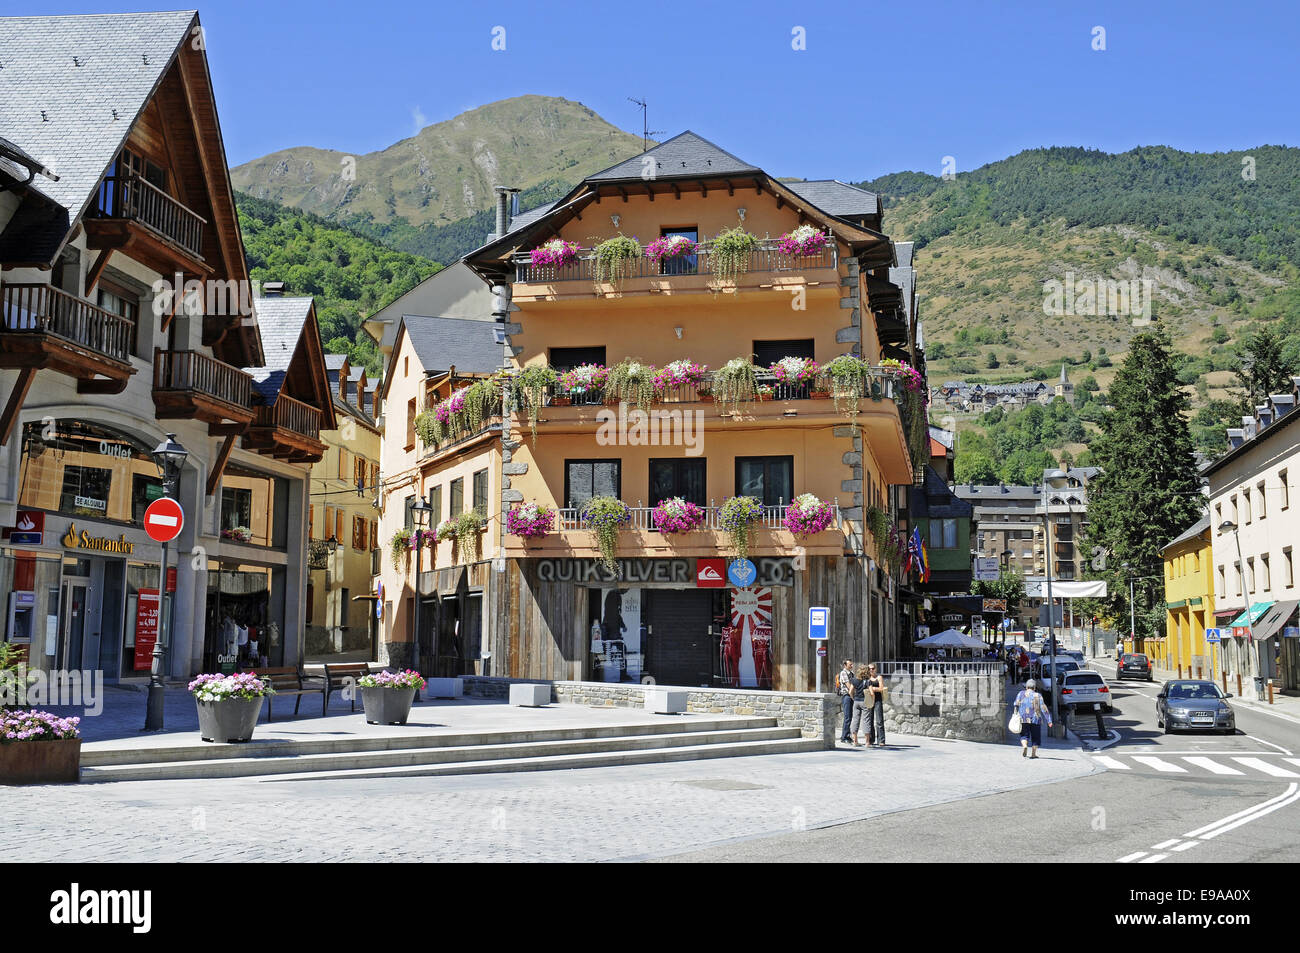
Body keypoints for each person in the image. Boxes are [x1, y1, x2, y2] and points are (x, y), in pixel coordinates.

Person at [1012, 678, 1053, 758]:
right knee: (1036, 737)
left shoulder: (1020, 694)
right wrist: (1049, 720)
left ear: (1026, 687)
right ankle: (1033, 754)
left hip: (1023, 719)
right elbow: (1044, 708)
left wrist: (1016, 713)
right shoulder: (1038, 695)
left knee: (1024, 735)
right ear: (1034, 688)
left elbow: (1015, 704)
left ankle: (1024, 746)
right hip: (1036, 719)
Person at [847, 664, 870, 746]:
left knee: (855, 720)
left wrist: (853, 698)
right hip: (865, 702)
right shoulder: (867, 681)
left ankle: (855, 741)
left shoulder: (854, 680)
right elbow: (871, 692)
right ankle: (867, 742)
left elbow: (850, 692)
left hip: (856, 701)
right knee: (866, 720)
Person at [864, 663, 886, 746]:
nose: (871, 670)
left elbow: (881, 688)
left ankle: (881, 740)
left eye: (873, 668)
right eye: (869, 669)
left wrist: (872, 688)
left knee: (879, 720)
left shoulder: (879, 677)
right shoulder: (867, 678)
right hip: (869, 700)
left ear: (875, 669)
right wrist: (874, 689)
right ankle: (871, 739)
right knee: (870, 720)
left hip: (878, 700)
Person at [837, 659, 854, 744]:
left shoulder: (851, 673)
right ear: (845, 665)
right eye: (850, 664)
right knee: (847, 717)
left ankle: (847, 735)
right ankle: (844, 737)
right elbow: (849, 686)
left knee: (850, 717)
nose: (852, 666)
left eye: (852, 664)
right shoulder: (843, 673)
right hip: (847, 696)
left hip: (851, 696)